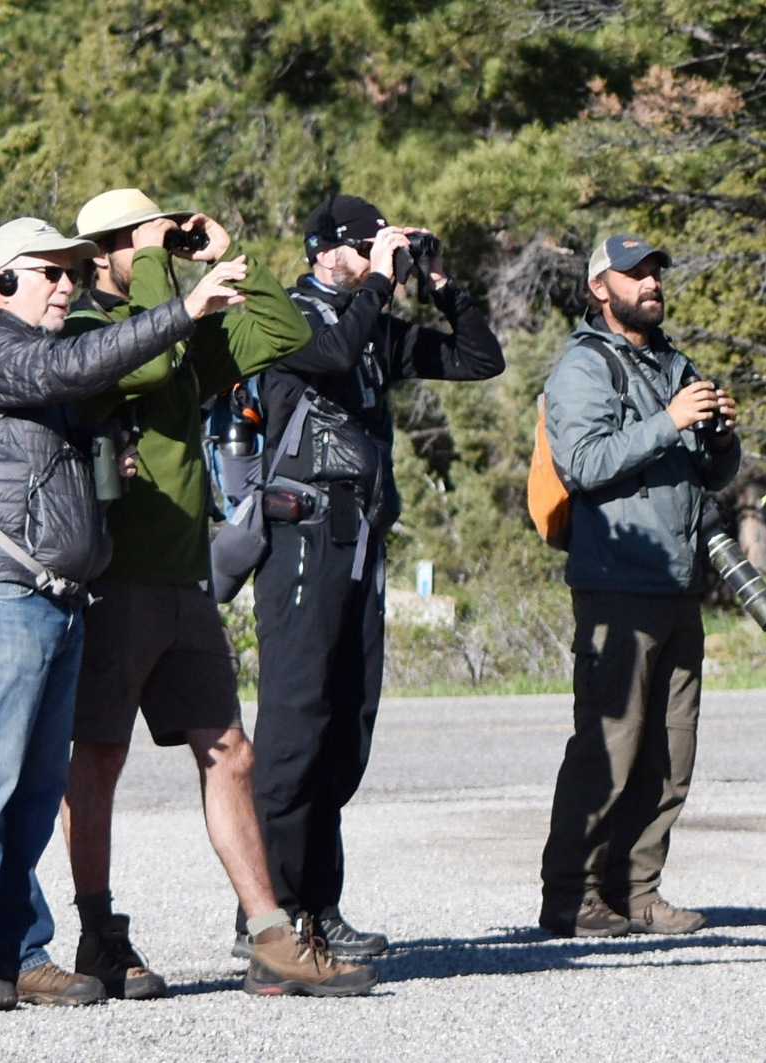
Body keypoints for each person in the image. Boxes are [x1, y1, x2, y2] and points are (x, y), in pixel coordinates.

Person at [0, 217, 246, 1010]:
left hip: (57, 599)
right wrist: (183, 308)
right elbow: (75, 365)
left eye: (73, 272)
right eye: (49, 272)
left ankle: (15, 951)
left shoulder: (43, 371)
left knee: (32, 790)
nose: (67, 284)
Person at [57, 188, 375, 999]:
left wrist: (233, 258)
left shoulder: (179, 319)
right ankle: (98, 933)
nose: (160, 246)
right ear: (102, 253)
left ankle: (271, 933)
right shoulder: (84, 332)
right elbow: (149, 362)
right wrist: (161, 266)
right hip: (115, 579)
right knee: (99, 756)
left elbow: (287, 335)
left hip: (184, 579)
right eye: (141, 238)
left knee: (230, 751)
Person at [240, 194, 505, 957]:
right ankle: (269, 915)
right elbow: (327, 356)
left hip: (360, 540)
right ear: (325, 250)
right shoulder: (287, 316)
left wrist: (443, 285)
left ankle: (319, 905)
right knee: (295, 730)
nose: (377, 258)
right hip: (301, 540)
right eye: (365, 246)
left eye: (382, 246)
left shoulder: (372, 325)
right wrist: (381, 285)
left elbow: (480, 359)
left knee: (345, 730)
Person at [538, 233, 741, 938]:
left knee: (670, 753)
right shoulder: (583, 367)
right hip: (616, 584)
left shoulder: (674, 363)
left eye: (656, 272)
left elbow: (710, 473)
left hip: (677, 582)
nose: (651, 283)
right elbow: (583, 462)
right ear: (600, 288)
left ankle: (638, 890)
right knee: (610, 747)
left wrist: (719, 438)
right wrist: (670, 421)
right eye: (635, 274)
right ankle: (571, 893)